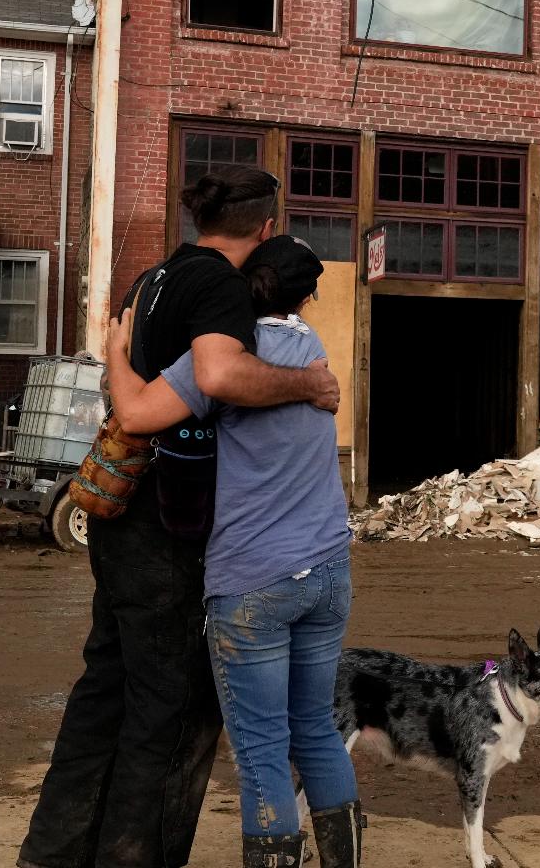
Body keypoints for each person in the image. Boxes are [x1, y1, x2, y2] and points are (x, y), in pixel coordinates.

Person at [18, 169, 343, 868]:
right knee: (170, 716)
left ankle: (53, 855)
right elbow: (221, 376)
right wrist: (307, 384)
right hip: (171, 528)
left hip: (118, 521)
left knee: (104, 695)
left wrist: (110, 354)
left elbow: (134, 383)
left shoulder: (154, 278)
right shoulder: (221, 290)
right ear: (262, 231)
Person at [105, 236, 360, 868]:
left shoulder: (223, 361)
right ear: (308, 295)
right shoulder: (313, 354)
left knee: (263, 747)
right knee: (318, 729)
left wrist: (116, 351)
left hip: (254, 580)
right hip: (328, 569)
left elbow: (135, 415)